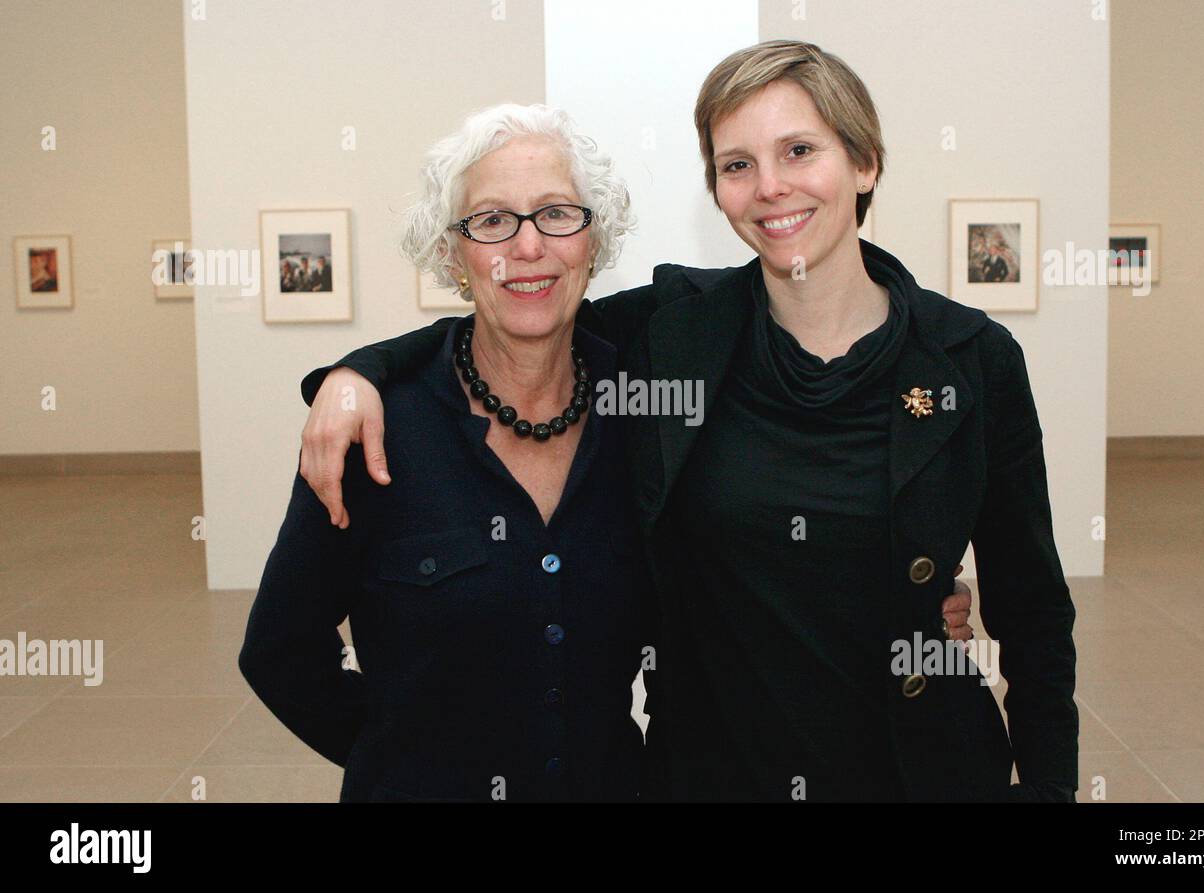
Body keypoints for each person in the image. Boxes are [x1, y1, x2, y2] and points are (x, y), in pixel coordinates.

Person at [297, 40, 1068, 802]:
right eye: (737, 165)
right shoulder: (672, 333)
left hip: (923, 768)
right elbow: (525, 311)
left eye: (799, 150)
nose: (770, 187)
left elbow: (1033, 609)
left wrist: (1048, 790)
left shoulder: (972, 360)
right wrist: (360, 370)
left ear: (864, 163)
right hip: (717, 772)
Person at [239, 104, 655, 801]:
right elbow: (280, 651)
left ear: (593, 239)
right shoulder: (378, 431)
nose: (528, 248)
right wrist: (396, 758)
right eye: (492, 221)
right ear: (452, 254)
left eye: (556, 213)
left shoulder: (644, 414)